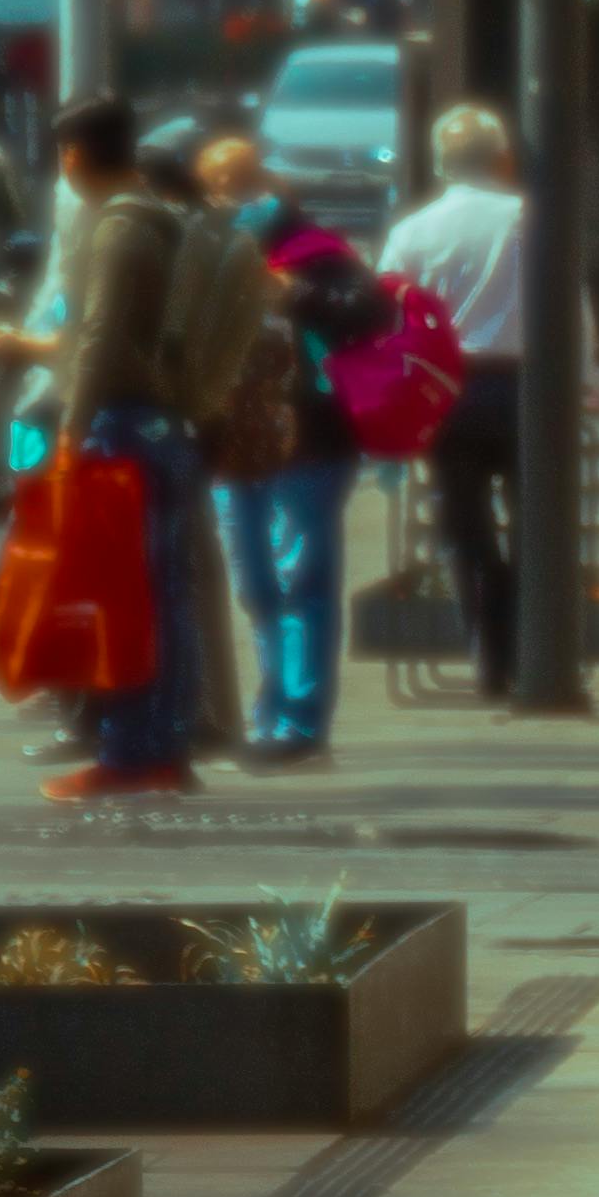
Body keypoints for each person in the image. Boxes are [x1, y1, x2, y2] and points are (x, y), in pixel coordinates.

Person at [34, 99, 265, 801]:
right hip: (166, 426)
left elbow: (100, 335)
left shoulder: (118, 227)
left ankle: (130, 752)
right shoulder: (165, 222)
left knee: (122, 597)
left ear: (74, 155)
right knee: (166, 595)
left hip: (121, 425)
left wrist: (72, 426)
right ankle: (166, 748)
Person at [197, 119, 378, 759]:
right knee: (255, 581)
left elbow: (369, 314)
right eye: (220, 186)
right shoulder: (207, 250)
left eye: (240, 183)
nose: (231, 197)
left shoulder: (316, 250)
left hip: (310, 438)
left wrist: (295, 293)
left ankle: (299, 720)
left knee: (299, 574)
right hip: (233, 441)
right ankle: (272, 708)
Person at [380, 104, 528, 704]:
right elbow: (568, 304)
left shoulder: (414, 231)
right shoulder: (528, 220)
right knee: (536, 523)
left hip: (446, 390)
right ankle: (534, 647)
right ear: (500, 158)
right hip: (523, 387)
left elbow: (388, 316)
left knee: (465, 532)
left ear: (441, 162)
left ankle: (489, 658)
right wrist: (587, 379)